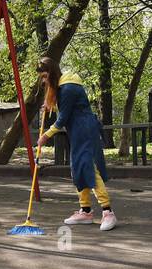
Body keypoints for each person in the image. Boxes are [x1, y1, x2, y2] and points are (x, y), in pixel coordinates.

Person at [35, 57, 117, 231]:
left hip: (84, 131)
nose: (43, 81)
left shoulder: (67, 88)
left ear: (51, 73)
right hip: (79, 130)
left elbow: (63, 118)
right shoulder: (66, 86)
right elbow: (70, 108)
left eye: (44, 76)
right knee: (79, 168)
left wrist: (45, 136)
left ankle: (108, 211)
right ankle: (85, 210)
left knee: (90, 168)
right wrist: (52, 107)